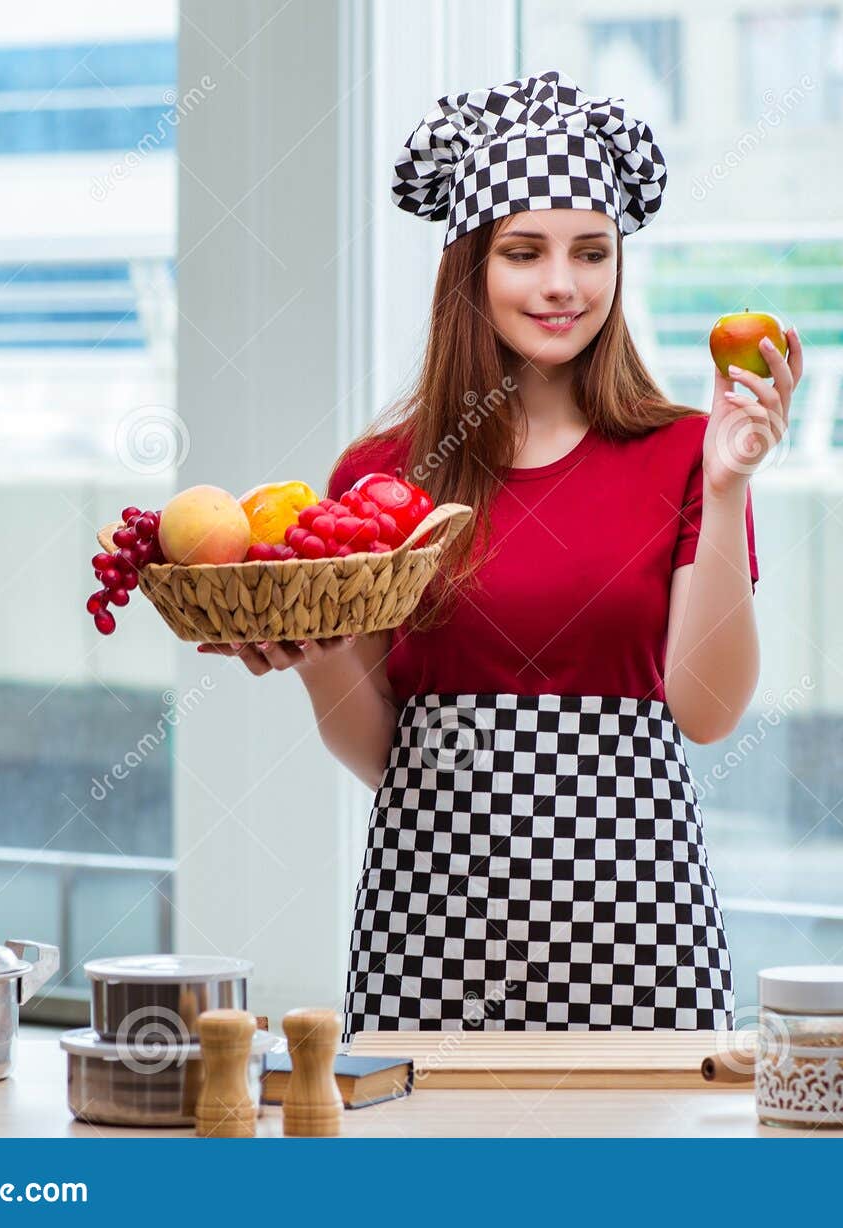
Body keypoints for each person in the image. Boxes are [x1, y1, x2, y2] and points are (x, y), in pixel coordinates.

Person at [206, 69, 802, 1037]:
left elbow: (707, 708)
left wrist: (732, 483)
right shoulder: (382, 475)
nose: (562, 284)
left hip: (642, 931)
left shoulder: (687, 453)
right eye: (524, 252)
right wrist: (320, 662)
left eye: (590, 253)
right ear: (470, 270)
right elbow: (383, 754)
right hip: (430, 926)